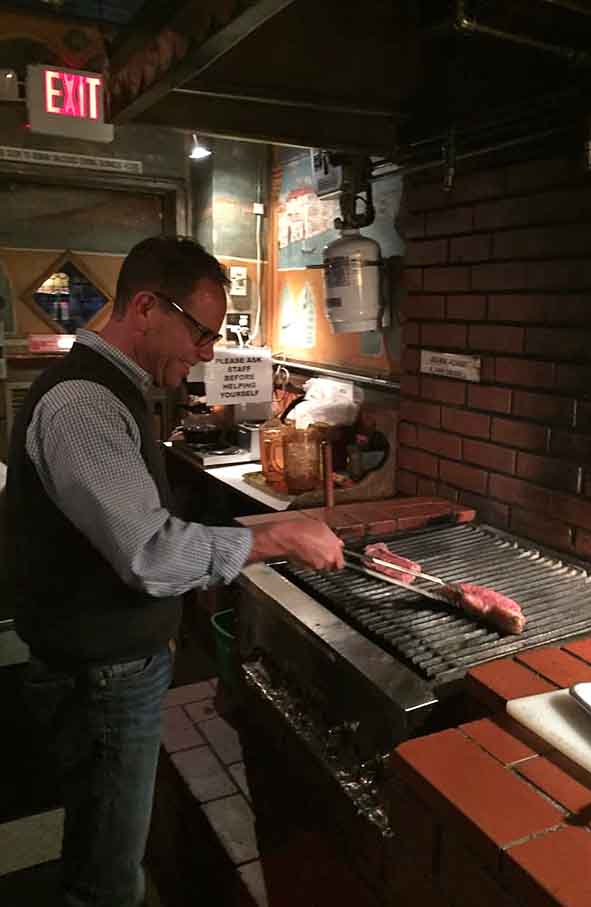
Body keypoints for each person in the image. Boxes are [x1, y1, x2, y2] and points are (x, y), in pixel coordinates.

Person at [4, 235, 344, 907]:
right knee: (106, 880)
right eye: (200, 333)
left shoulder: (116, 394)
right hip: (100, 675)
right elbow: (151, 553)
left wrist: (278, 526)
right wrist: (276, 544)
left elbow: (151, 525)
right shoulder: (84, 406)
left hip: (112, 668)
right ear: (144, 307)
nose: (207, 353)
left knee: (104, 847)